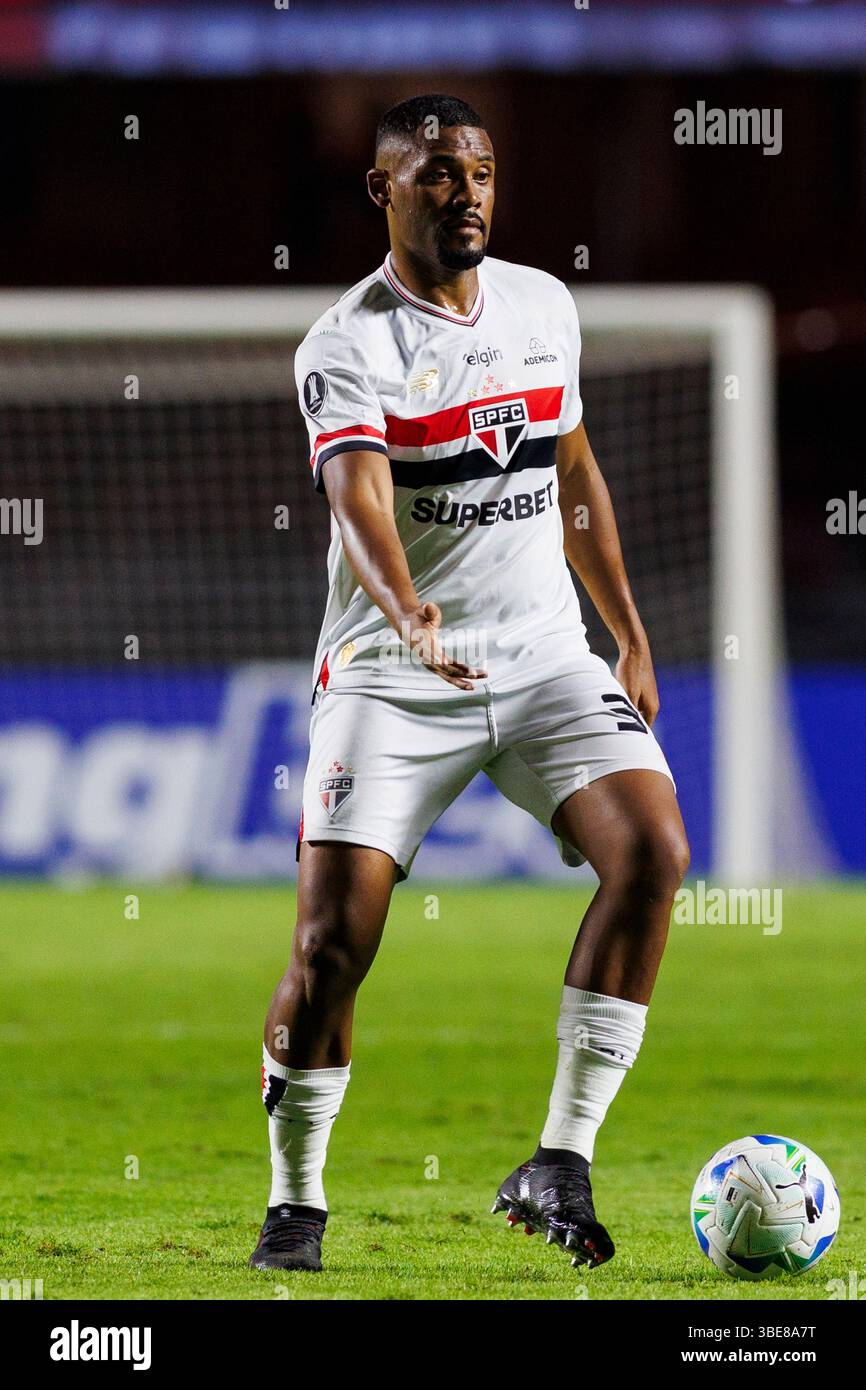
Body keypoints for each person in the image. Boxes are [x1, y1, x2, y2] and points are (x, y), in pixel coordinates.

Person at [249, 94, 690, 1274]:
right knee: (331, 945)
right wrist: (406, 614)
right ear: (381, 191)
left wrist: (626, 632)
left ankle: (558, 1156)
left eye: (480, 171)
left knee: (652, 852)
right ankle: (296, 1202)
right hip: (395, 678)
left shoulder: (544, 307)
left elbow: (573, 472)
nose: (466, 193)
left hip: (543, 654)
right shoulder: (346, 344)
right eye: (437, 174)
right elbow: (357, 500)